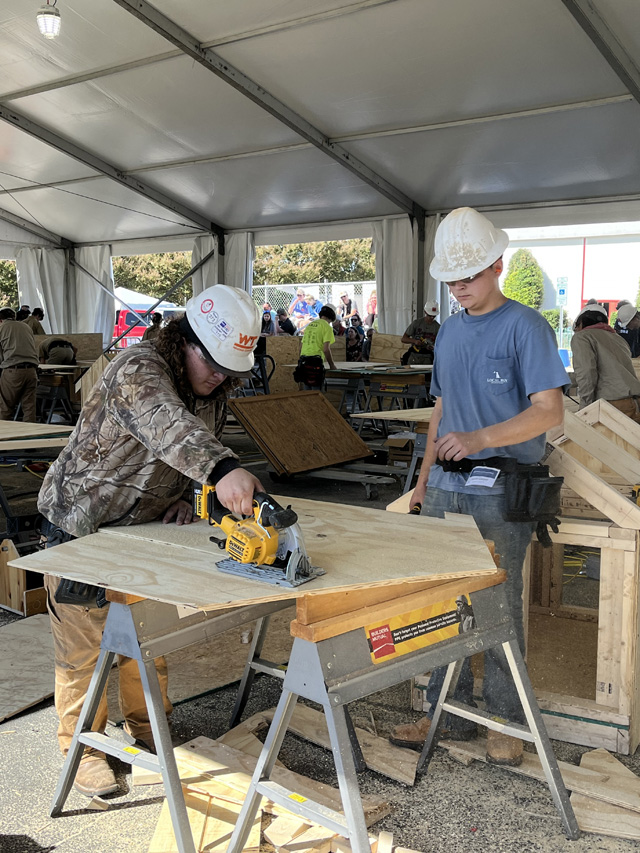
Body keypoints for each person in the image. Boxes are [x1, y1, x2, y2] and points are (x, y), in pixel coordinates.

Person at [38, 285, 264, 798]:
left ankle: (148, 732)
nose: (222, 376)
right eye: (215, 364)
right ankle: (85, 749)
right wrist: (222, 470)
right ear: (184, 340)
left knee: (145, 638)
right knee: (84, 650)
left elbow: (187, 445)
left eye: (232, 369)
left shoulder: (210, 386)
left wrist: (184, 494)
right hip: (81, 524)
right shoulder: (137, 369)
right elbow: (167, 427)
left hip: (139, 530)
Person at [388, 208, 567, 767]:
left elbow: (549, 411)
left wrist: (482, 437)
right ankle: (444, 709)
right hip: (447, 485)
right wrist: (421, 483)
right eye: (452, 279)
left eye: (470, 275)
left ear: (497, 265)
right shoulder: (449, 334)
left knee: (497, 604)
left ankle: (505, 722)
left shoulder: (526, 327)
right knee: (445, 600)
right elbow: (440, 411)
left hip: (501, 487)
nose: (460, 287)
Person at [571, 302, 640, 417]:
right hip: (635, 402)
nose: (577, 330)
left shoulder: (582, 337)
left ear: (581, 323)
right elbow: (608, 372)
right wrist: (563, 381)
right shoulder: (618, 338)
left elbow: (587, 373)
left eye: (576, 328)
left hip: (613, 405)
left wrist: (585, 409)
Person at [0, 307, 39, 422]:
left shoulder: (2, 328)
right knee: (29, 408)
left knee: (5, 407)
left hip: (13, 370)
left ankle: (3, 435)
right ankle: (30, 437)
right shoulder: (26, 327)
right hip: (31, 371)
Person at [295, 305, 337, 389]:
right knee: (317, 392)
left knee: (307, 392)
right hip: (316, 361)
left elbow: (301, 346)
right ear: (330, 318)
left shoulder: (310, 325)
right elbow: (326, 349)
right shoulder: (327, 327)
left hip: (304, 360)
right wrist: (332, 365)